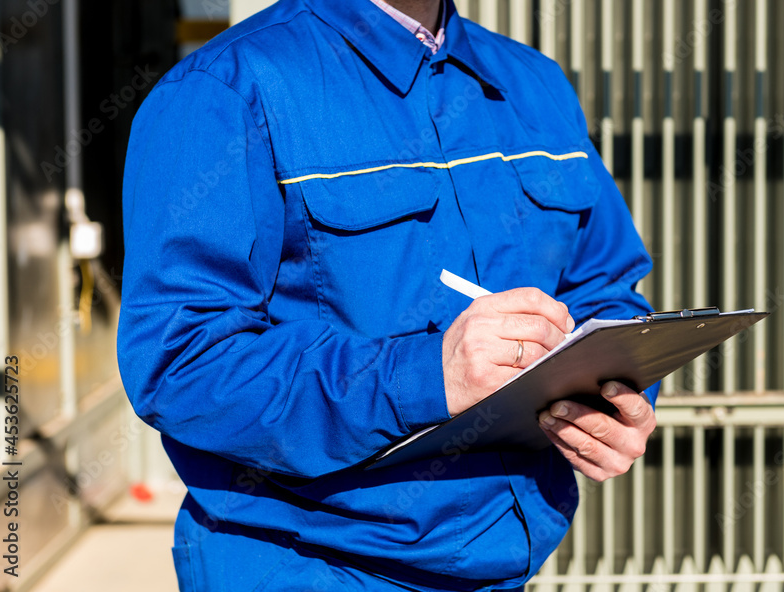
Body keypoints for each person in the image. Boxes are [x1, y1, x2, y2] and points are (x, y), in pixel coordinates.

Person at [118, 0, 658, 590]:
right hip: (310, 565)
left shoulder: (533, 83)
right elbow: (181, 361)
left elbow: (605, 288)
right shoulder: (223, 91)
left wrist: (611, 395)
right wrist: (425, 376)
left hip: (506, 558)